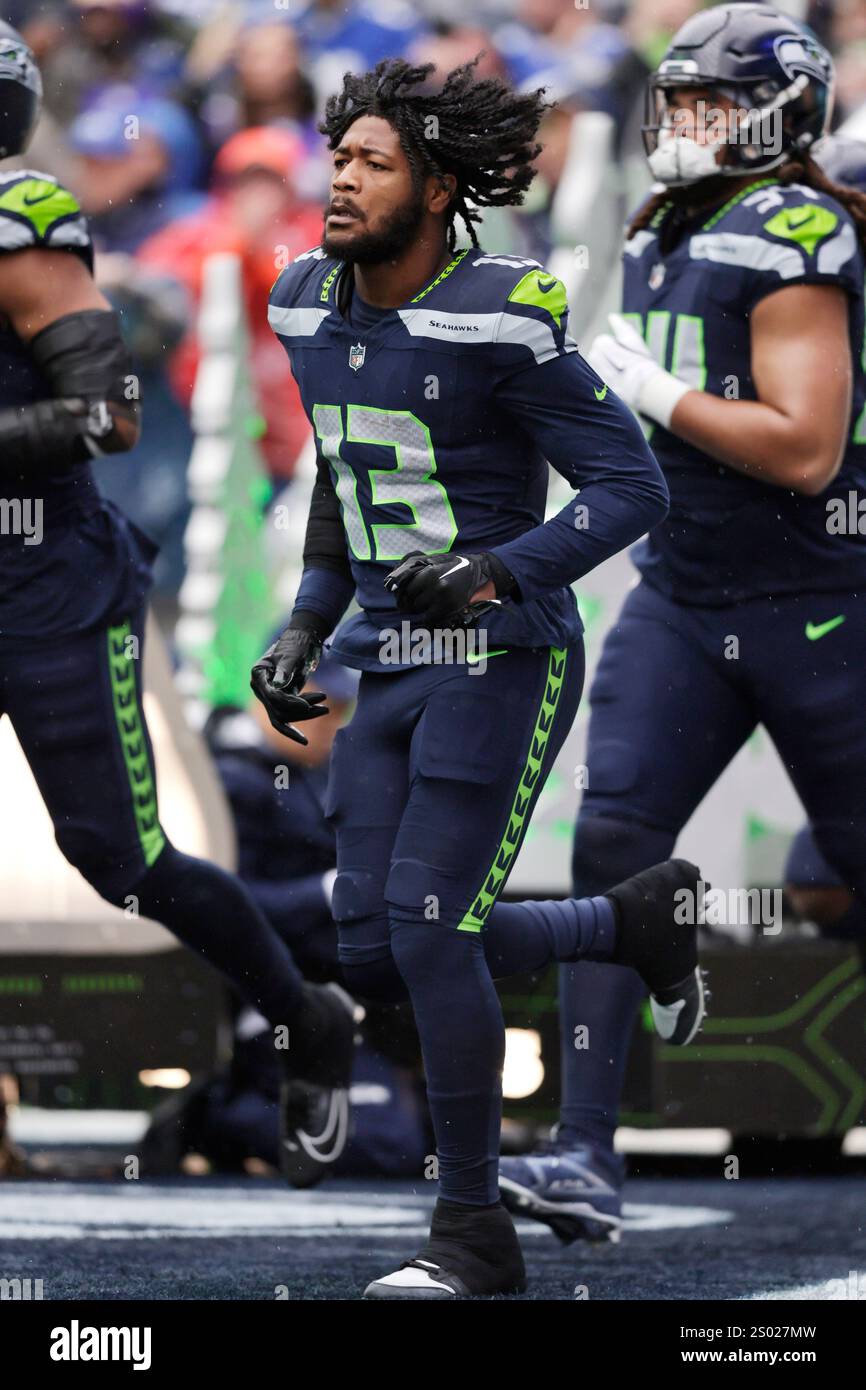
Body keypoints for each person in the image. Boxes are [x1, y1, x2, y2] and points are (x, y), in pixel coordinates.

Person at [251, 55, 708, 1299]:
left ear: (438, 185)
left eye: (371, 163)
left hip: (501, 656)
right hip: (384, 660)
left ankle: (470, 1233)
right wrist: (303, 626)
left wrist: (497, 570)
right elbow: (347, 493)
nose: (339, 179)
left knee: (429, 927)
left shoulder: (502, 310)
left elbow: (631, 487)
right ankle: (627, 922)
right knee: (370, 944)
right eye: (336, 157)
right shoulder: (302, 300)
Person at [499, 3, 866, 1246]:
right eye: (681, 100)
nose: (684, 123)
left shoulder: (793, 228)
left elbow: (805, 448)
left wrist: (647, 387)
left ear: (772, 111)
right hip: (686, 589)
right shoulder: (675, 222)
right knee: (612, 846)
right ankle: (583, 1153)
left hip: (821, 602)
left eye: (708, 103)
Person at [0, 19, 354, 1189]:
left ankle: (306, 1015)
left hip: (45, 579)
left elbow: (108, 414)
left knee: (122, 854)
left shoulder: (24, 219)